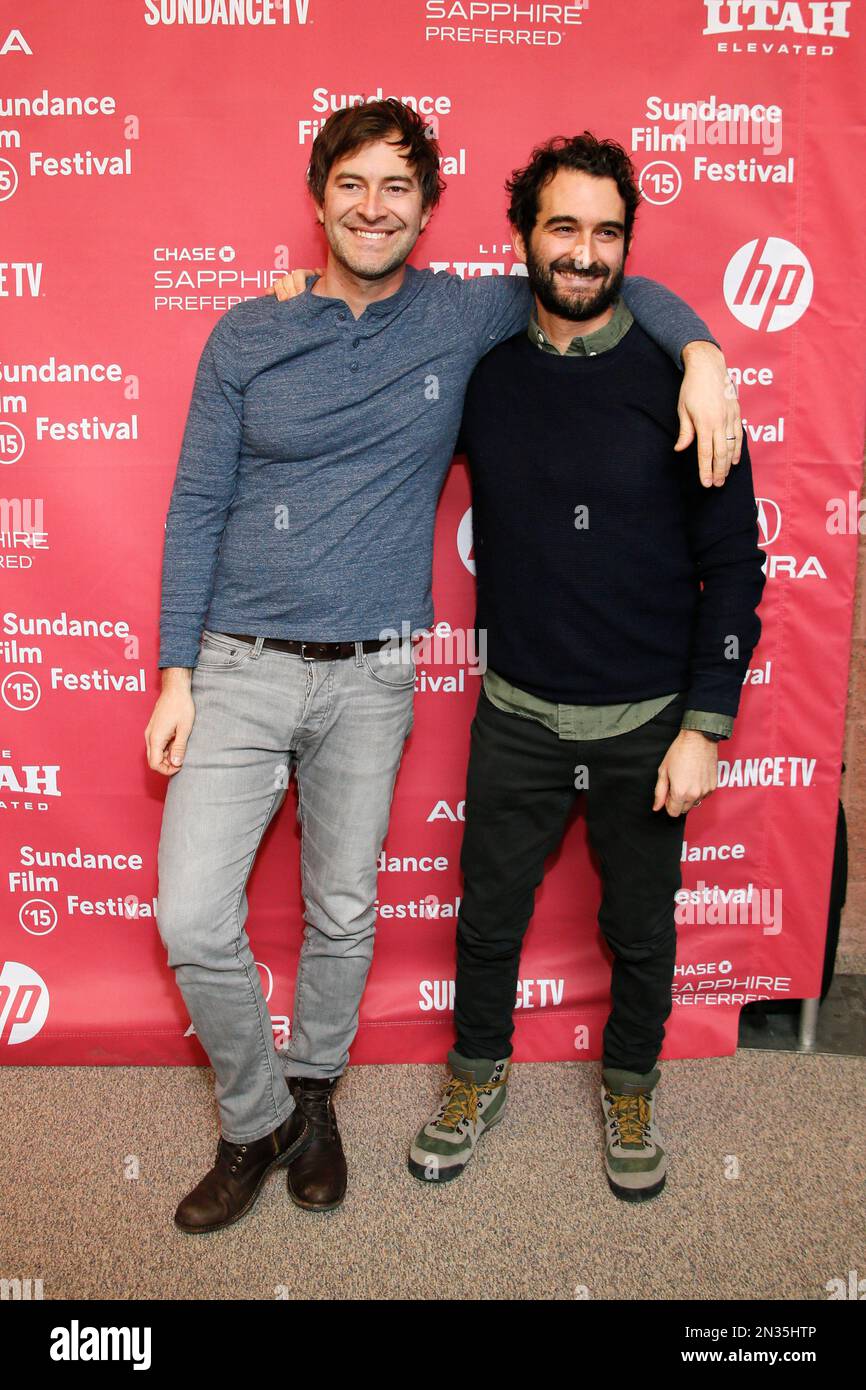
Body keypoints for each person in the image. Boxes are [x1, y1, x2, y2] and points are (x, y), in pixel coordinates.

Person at [146, 100, 741, 1233]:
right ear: (318, 195)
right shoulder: (247, 333)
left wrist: (702, 349)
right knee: (189, 918)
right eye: (353, 185)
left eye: (397, 189)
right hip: (237, 662)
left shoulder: (461, 312)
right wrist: (176, 671)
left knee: (343, 910)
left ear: (427, 210)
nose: (374, 208)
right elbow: (193, 506)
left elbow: (600, 280)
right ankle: (255, 1114)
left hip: (375, 673)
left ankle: (314, 1101)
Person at [408, 133, 766, 1201]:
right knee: (487, 916)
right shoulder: (480, 374)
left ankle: (628, 1082)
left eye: (606, 231)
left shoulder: (679, 380)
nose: (583, 251)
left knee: (638, 927)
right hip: (514, 712)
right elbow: (381, 337)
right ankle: (474, 1074)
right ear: (523, 233)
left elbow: (736, 567)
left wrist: (705, 725)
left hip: (648, 721)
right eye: (561, 226)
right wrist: (303, 302)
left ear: (626, 245)